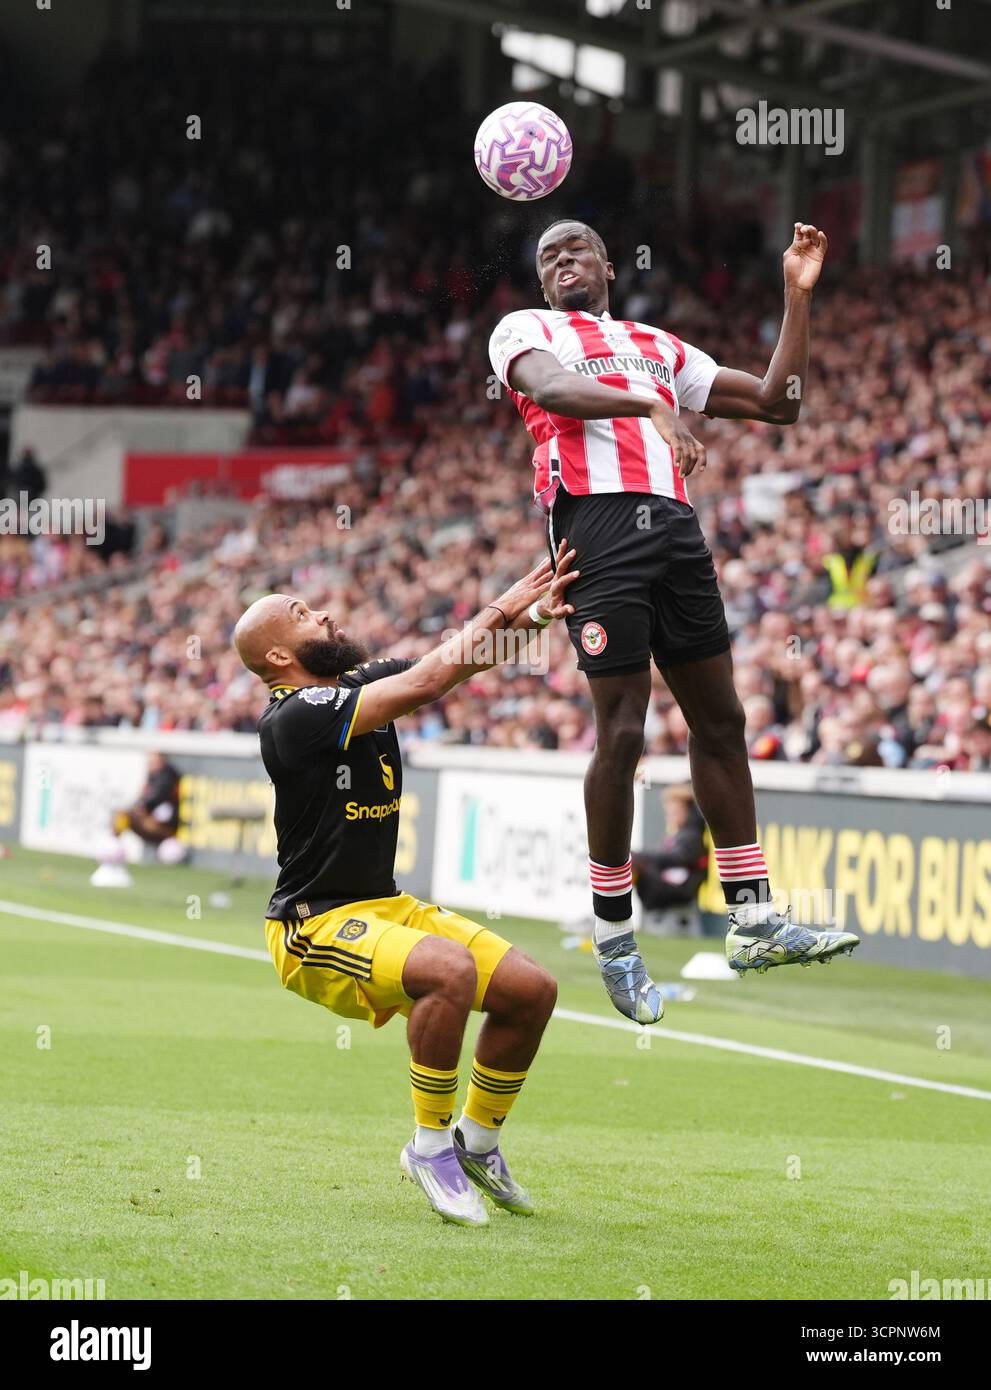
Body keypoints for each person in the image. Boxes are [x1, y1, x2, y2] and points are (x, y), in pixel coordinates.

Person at [488, 218, 858, 1023]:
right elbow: (552, 391)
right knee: (621, 729)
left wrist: (795, 299)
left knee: (721, 719)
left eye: (576, 247)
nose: (562, 261)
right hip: (595, 527)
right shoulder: (527, 331)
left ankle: (754, 917)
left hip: (673, 529)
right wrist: (649, 407)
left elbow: (776, 403)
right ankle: (615, 935)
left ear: (608, 264)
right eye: (548, 256)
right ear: (542, 281)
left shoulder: (656, 343)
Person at [233, 544, 578, 1227]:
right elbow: (424, 683)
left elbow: (456, 662)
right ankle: (428, 1147)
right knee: (448, 971)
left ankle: (476, 1142)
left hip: (384, 907)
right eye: (303, 614)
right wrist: (504, 603)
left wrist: (533, 611)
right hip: (313, 924)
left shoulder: (354, 689)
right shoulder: (294, 715)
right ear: (277, 657)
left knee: (530, 991)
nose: (324, 613)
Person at [633, 785, 708, 917]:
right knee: (633, 863)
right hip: (669, 889)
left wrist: (641, 857)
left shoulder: (692, 836)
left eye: (675, 812)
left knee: (633, 863)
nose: (670, 816)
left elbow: (678, 858)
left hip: (682, 892)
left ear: (688, 811)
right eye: (668, 812)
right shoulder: (678, 834)